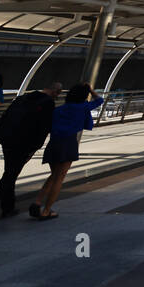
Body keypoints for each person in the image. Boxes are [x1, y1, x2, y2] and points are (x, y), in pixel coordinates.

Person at [0, 83, 61, 229]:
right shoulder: (48, 103)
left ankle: (8, 207)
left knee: (10, 174)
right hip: (23, 145)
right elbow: (43, 127)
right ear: (56, 92)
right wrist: (34, 148)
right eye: (58, 93)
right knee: (9, 177)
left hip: (6, 141)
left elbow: (6, 116)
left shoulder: (23, 98)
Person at [30, 83, 104, 220]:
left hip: (54, 143)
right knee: (59, 178)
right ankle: (46, 211)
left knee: (53, 175)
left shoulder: (58, 110)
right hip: (68, 143)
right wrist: (91, 90)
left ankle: (37, 201)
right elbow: (100, 100)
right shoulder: (82, 108)